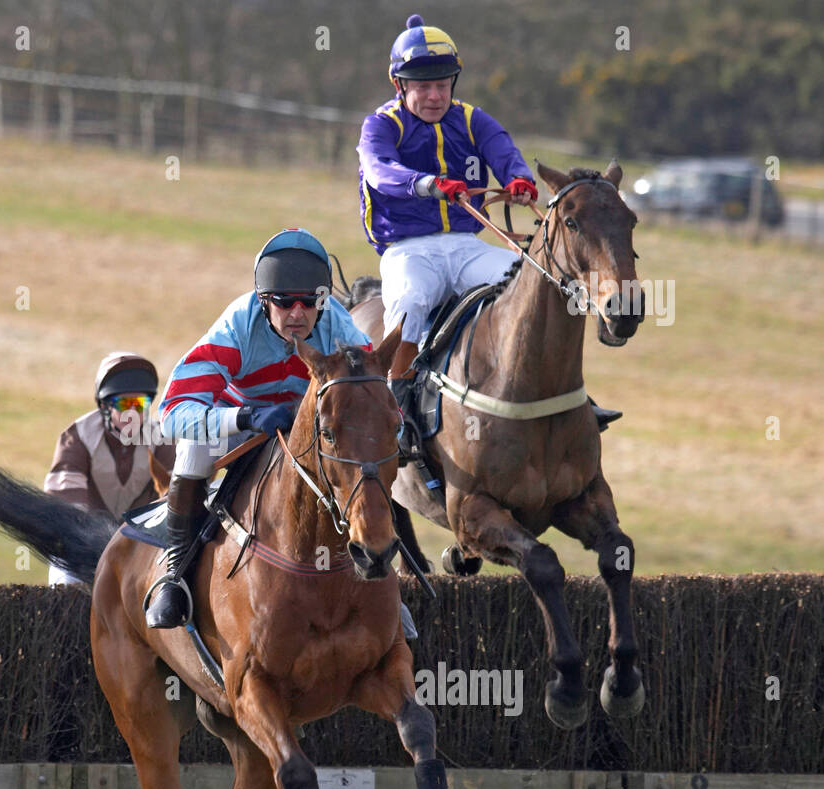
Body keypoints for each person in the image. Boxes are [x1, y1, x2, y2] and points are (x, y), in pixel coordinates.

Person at [358, 14, 619, 451]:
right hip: (408, 249)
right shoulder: (381, 125)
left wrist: (519, 180)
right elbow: (381, 172)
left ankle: (575, 399)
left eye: (443, 84)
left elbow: (505, 151)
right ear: (399, 85)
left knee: (538, 281)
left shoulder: (473, 120)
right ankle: (396, 406)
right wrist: (428, 184)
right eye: (423, 87)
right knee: (410, 300)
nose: (435, 95)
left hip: (466, 244)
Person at [144, 228, 368, 629]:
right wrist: (245, 417)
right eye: (284, 303)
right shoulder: (236, 326)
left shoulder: (339, 324)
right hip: (239, 424)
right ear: (264, 302)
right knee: (194, 447)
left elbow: (375, 393)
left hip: (305, 431)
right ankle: (173, 574)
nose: (298, 314)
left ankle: (379, 581)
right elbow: (174, 413)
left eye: (309, 302)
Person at [43, 352, 176, 587]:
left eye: (140, 404)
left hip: (139, 547)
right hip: (80, 542)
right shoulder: (77, 438)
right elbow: (66, 508)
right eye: (125, 404)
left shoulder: (162, 439)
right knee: (66, 588)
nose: (133, 414)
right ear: (105, 405)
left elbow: (177, 498)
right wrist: (98, 542)